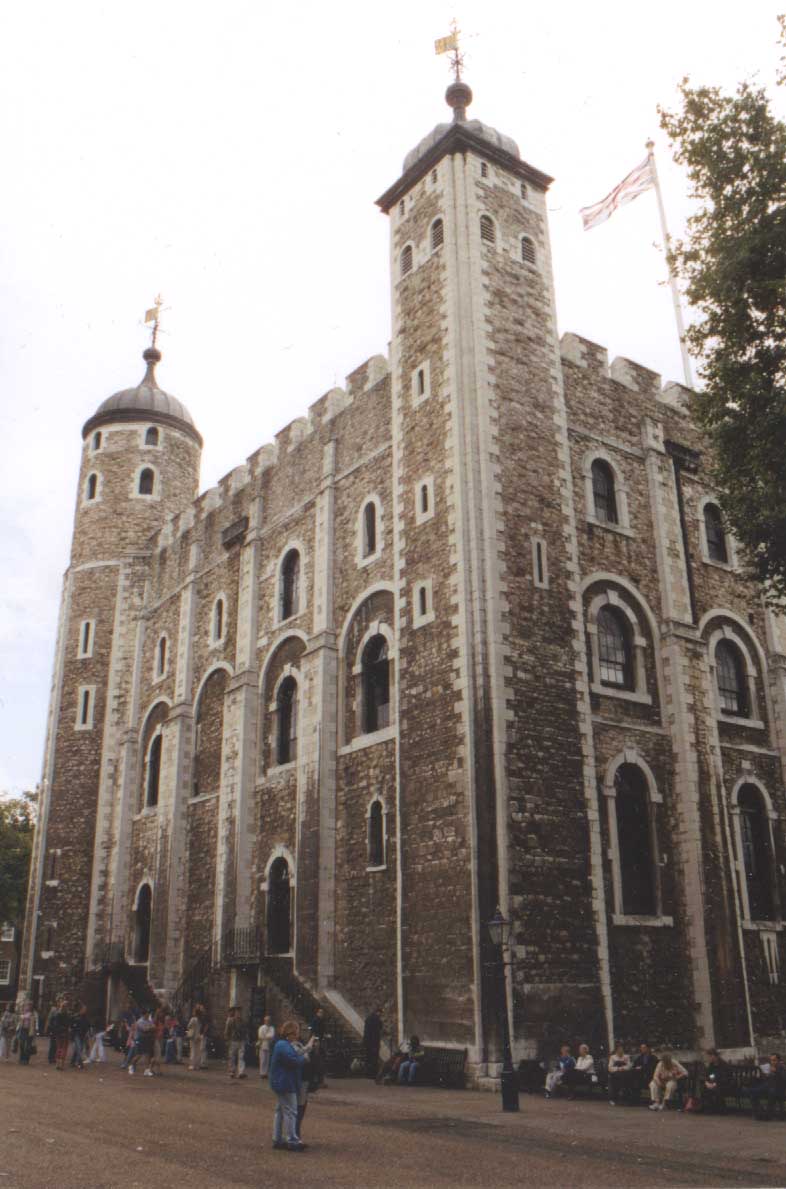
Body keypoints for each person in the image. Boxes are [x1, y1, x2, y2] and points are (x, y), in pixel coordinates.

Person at [269, 1019, 313, 1152]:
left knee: (280, 1111)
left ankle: (277, 1138)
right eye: (296, 1032)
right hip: (285, 1083)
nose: (298, 1035)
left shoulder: (282, 1044)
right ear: (291, 1033)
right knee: (291, 1111)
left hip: (281, 1081)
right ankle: (292, 1140)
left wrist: (307, 1047)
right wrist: (304, 1058)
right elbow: (293, 1060)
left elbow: (294, 1054)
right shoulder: (283, 1045)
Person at [750, 1053, 786, 1121]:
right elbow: (769, 1079)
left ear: (778, 1060)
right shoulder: (771, 1067)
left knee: (771, 1092)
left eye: (774, 1060)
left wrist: (776, 1071)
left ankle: (767, 1115)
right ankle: (759, 1112)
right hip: (768, 1086)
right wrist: (765, 1075)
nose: (772, 1062)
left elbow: (784, 1079)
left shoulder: (782, 1067)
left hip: (778, 1089)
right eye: (771, 1060)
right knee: (753, 1093)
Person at [129, 1009, 157, 1076]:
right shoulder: (140, 1021)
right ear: (143, 1015)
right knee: (139, 1055)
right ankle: (132, 1065)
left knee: (147, 1054)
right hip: (140, 1039)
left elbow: (154, 1027)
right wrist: (150, 1028)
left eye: (148, 1014)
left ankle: (146, 1070)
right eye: (147, 1014)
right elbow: (144, 1030)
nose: (148, 1015)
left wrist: (150, 1028)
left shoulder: (149, 1021)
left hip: (147, 1039)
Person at [702, 1049, 729, 1113]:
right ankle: (708, 1107)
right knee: (704, 1088)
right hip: (713, 1083)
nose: (708, 1058)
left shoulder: (723, 1065)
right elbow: (707, 1075)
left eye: (710, 1056)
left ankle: (720, 1108)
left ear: (714, 1056)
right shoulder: (711, 1065)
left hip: (724, 1085)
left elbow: (725, 1078)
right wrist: (707, 1083)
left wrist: (715, 1084)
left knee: (717, 1089)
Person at [225, 1006, 247, 1079]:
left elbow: (245, 1031)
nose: (239, 1014)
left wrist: (245, 1038)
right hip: (233, 1040)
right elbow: (227, 1031)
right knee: (232, 1056)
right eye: (237, 1012)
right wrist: (227, 1039)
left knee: (241, 1057)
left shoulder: (243, 1021)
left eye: (240, 1012)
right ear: (235, 1013)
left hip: (241, 1040)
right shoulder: (231, 1021)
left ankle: (241, 1072)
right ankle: (232, 1071)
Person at [308, 1008, 326, 1091]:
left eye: (322, 1013)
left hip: (319, 1041)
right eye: (320, 1012)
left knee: (320, 1061)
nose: (322, 1014)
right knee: (316, 1060)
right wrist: (316, 1039)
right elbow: (312, 1030)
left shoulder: (321, 1021)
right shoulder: (315, 1020)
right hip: (316, 1041)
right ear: (317, 1013)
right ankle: (317, 1080)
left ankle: (319, 1080)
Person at [363, 1007, 383, 1080]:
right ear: (378, 1012)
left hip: (367, 1042)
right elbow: (379, 1029)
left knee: (368, 1058)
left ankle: (367, 1073)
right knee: (374, 1058)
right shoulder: (377, 1020)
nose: (380, 1015)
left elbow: (365, 1031)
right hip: (374, 1042)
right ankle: (373, 1074)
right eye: (380, 1014)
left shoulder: (368, 1018)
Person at [50, 1001, 70, 1071]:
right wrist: (65, 1029)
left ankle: (58, 1064)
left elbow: (55, 1024)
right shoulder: (66, 1015)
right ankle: (61, 1064)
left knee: (59, 1048)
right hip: (65, 1033)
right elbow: (68, 1025)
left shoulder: (58, 1014)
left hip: (59, 1033)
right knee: (64, 1049)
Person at [70, 1003, 90, 1070]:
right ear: (80, 1009)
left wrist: (87, 1033)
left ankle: (73, 1061)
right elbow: (72, 1026)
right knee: (79, 1048)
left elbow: (88, 1025)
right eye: (84, 1009)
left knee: (77, 1049)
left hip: (83, 1035)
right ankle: (80, 1062)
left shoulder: (86, 1017)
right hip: (77, 1034)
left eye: (85, 1009)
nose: (85, 1010)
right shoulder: (75, 1017)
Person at [187, 1006, 204, 1071]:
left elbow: (188, 1026)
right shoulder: (200, 1020)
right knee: (198, 1052)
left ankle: (192, 1065)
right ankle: (197, 1065)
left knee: (193, 1051)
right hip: (199, 1036)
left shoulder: (193, 1019)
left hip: (193, 1036)